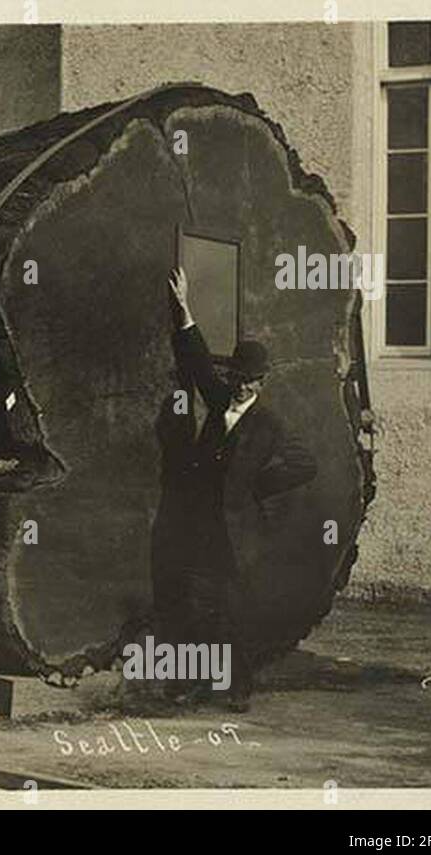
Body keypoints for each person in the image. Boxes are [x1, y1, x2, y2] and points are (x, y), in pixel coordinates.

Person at [151, 266, 318, 711]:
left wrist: (256, 487)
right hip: (201, 526)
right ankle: (195, 684)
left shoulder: (269, 423)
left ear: (261, 383)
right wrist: (184, 310)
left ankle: (239, 688)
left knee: (230, 614)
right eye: (237, 379)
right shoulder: (221, 397)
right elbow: (198, 362)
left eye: (249, 381)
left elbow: (306, 464)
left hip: (239, 536)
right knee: (194, 608)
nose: (240, 386)